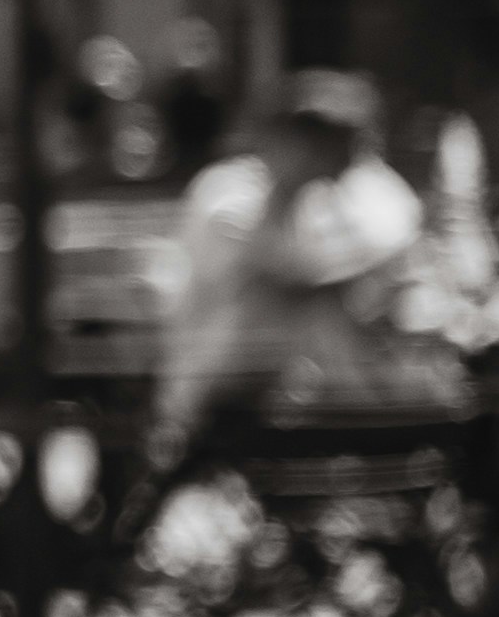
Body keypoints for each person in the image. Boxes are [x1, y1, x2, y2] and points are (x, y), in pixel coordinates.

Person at [152, 73, 432, 454]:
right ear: (292, 141)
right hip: (212, 399)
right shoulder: (227, 195)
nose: (345, 167)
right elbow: (289, 280)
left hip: (280, 394)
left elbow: (392, 234)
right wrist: (376, 267)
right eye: (335, 150)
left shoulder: (313, 202)